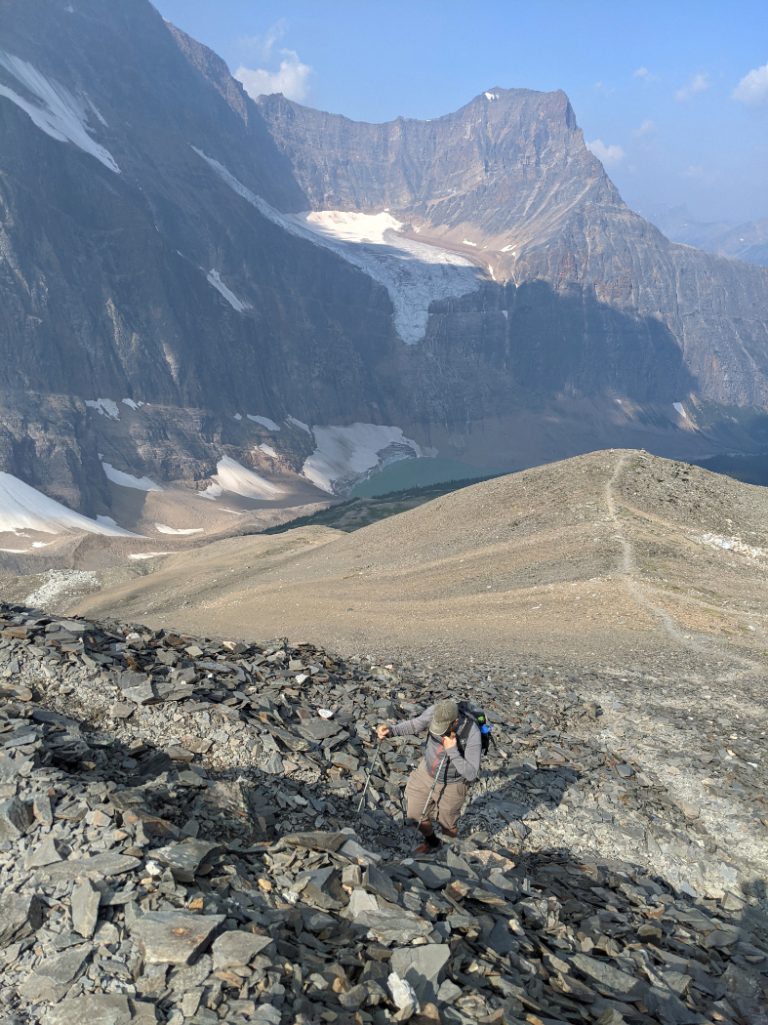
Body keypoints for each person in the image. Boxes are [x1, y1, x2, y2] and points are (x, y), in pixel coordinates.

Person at [376, 699, 481, 853]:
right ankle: (433, 842)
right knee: (414, 814)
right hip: (425, 773)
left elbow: (471, 774)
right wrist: (391, 731)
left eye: (442, 730)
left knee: (447, 824)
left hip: (453, 783)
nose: (438, 732)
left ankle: (449, 852)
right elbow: (414, 725)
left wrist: (452, 751)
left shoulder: (472, 732)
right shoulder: (434, 712)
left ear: (455, 722)